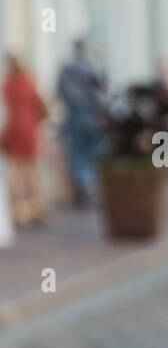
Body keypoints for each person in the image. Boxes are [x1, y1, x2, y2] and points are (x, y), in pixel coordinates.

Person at [1, 54, 49, 228]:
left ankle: (19, 212)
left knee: (16, 171)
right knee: (32, 171)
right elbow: (38, 102)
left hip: (15, 127)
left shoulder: (8, 83)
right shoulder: (29, 80)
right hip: (30, 127)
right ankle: (36, 209)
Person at [57, 39, 105, 208]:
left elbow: (62, 92)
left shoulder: (67, 68)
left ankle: (82, 190)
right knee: (91, 153)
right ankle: (90, 189)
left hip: (75, 117)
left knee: (77, 154)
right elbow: (100, 92)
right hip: (90, 116)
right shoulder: (91, 68)